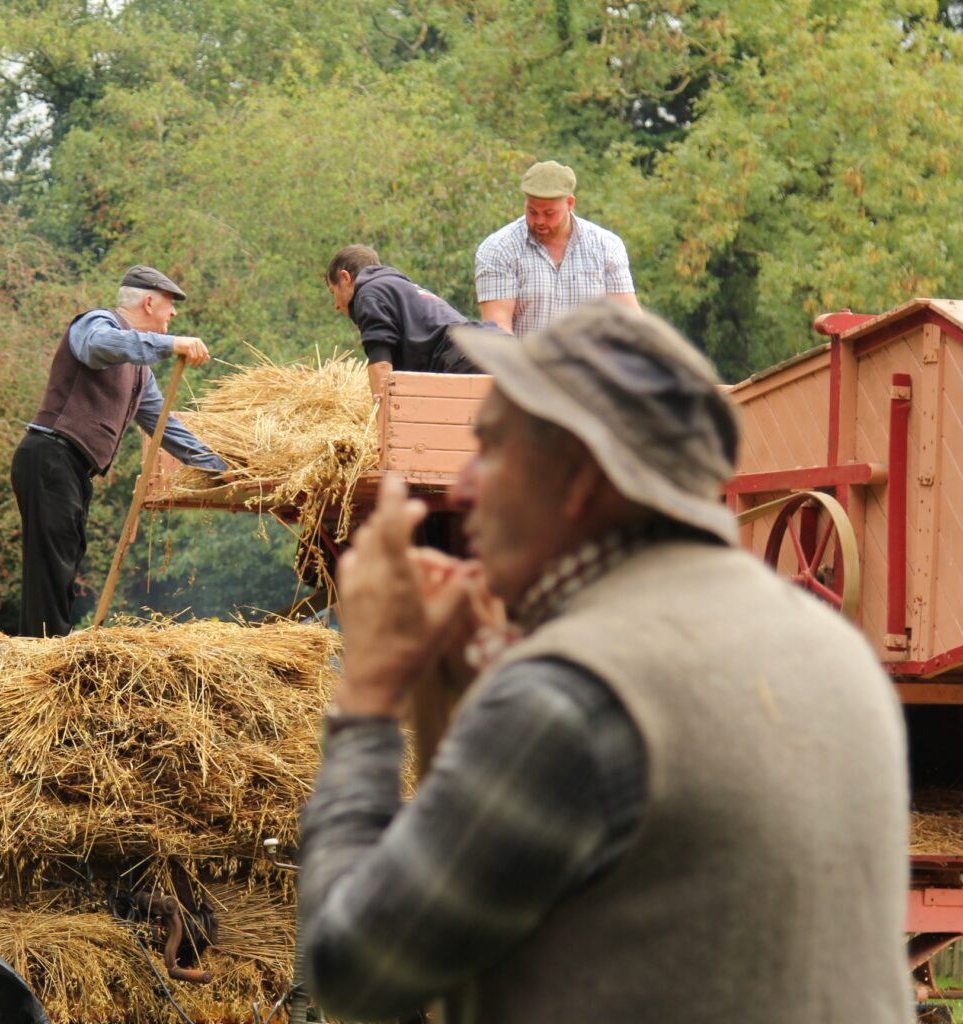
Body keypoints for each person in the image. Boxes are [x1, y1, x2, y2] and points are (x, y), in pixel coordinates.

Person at [297, 302, 911, 1023]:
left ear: (579, 476)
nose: (462, 489)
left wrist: (369, 689)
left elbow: (354, 976)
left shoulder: (570, 696)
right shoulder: (835, 649)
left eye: (491, 449)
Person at [12, 265, 224, 638]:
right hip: (49, 456)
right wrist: (169, 345)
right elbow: (99, 347)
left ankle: (49, 647)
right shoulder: (95, 324)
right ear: (148, 302)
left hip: (72, 469)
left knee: (66, 560)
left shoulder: (141, 373)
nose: (174, 315)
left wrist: (220, 466)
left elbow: (164, 426)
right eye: (170, 305)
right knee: (52, 565)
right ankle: (42, 653)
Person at [474, 160, 639, 336]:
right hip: (524, 362)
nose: (539, 221)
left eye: (549, 213)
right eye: (532, 211)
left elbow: (629, 321)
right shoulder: (499, 249)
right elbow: (498, 331)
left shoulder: (606, 246)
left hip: (592, 362)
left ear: (570, 203)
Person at [323, 245, 478, 403]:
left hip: (463, 360)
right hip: (491, 349)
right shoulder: (399, 287)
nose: (336, 305)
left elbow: (381, 368)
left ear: (345, 278)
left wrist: (383, 422)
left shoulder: (368, 293)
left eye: (333, 292)